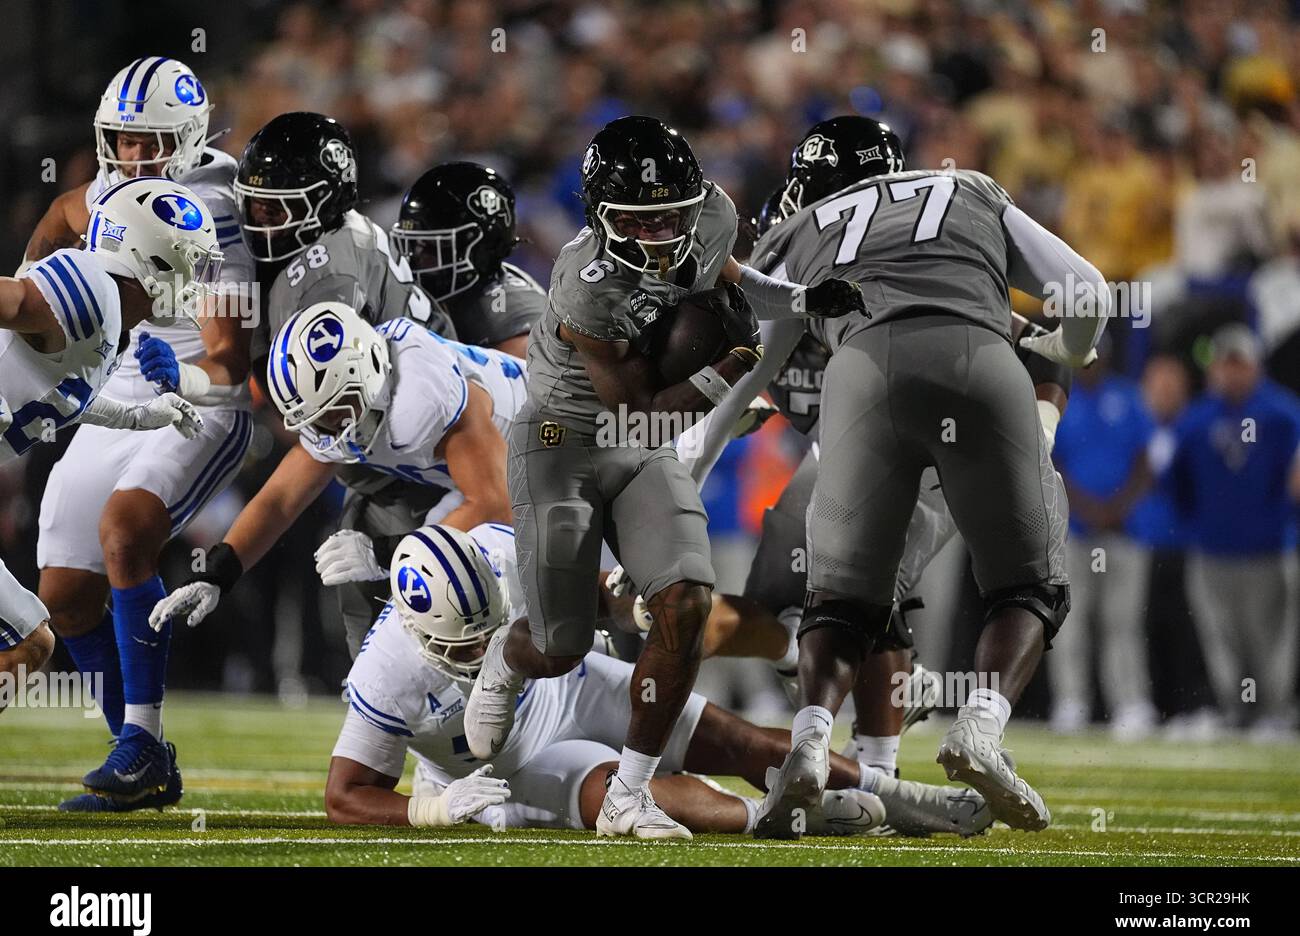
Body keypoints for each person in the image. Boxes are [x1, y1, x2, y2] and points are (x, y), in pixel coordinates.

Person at [462, 115, 864, 840]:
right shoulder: (585, 282)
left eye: (670, 217)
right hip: (565, 438)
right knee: (562, 645)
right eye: (638, 222)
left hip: (643, 445)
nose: (659, 234)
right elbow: (636, 411)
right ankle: (506, 652)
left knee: (685, 602)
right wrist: (731, 370)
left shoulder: (709, 216)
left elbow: (734, 283)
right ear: (600, 218)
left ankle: (629, 794)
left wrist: (803, 301)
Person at [752, 115, 1108, 837]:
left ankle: (813, 743)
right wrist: (1058, 349)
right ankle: (978, 726)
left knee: (840, 601)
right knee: (1027, 586)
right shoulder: (965, 187)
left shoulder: (800, 228)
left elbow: (741, 349)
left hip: (856, 383)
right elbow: (1090, 294)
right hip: (977, 358)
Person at [326, 523, 992, 838]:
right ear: (420, 633)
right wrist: (430, 807)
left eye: (486, 629)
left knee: (735, 738)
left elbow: (584, 591)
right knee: (624, 795)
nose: (480, 648)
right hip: (517, 759)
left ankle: (897, 794)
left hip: (574, 681)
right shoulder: (388, 667)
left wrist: (627, 605)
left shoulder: (500, 551)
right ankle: (778, 820)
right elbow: (344, 795)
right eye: (463, 641)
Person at [21, 58, 254, 811]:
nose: (135, 159)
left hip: (198, 396)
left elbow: (229, 365)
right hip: (118, 389)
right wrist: (30, 283)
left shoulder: (217, 205)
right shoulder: (108, 189)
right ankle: (142, 754)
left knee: (125, 530)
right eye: (123, 142)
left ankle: (142, 739)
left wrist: (180, 382)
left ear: (189, 138)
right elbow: (66, 211)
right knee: (62, 592)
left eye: (152, 144)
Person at [149, 303, 524, 644]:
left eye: (332, 412)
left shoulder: (420, 398)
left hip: (559, 447)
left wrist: (385, 555)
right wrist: (218, 571)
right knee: (422, 594)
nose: (327, 430)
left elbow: (496, 505)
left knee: (440, 585)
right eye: (315, 419)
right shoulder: (343, 403)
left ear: (368, 374)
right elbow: (282, 498)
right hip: (503, 476)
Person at [235, 111, 458, 651]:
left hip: (427, 470)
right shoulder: (334, 249)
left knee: (435, 647)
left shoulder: (327, 279)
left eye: (278, 208)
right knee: (380, 672)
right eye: (255, 204)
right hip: (390, 466)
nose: (260, 220)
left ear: (326, 201)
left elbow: (322, 431)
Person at [1159, 325, 1300, 738]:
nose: (1231, 372)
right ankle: (1236, 710)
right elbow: (1174, 479)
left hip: (1266, 547)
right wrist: (1196, 524)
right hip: (1212, 545)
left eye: (1239, 363)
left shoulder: (1281, 413)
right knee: (1222, 637)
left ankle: (1273, 710)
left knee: (1267, 635)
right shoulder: (1198, 418)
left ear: (1255, 366)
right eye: (1225, 363)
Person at [1048, 338, 1159, 739]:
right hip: (1075, 530)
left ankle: (1128, 702)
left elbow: (1147, 460)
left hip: (1125, 531)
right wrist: (1089, 509)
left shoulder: (1130, 399)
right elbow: (1051, 462)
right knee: (1071, 622)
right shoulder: (1060, 399)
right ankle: (1071, 701)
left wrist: (1118, 508)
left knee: (1123, 622)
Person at [391, 162, 544, 359]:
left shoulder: (510, 324)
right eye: (413, 246)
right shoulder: (463, 294)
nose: (414, 260)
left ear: (479, 246)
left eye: (431, 248)